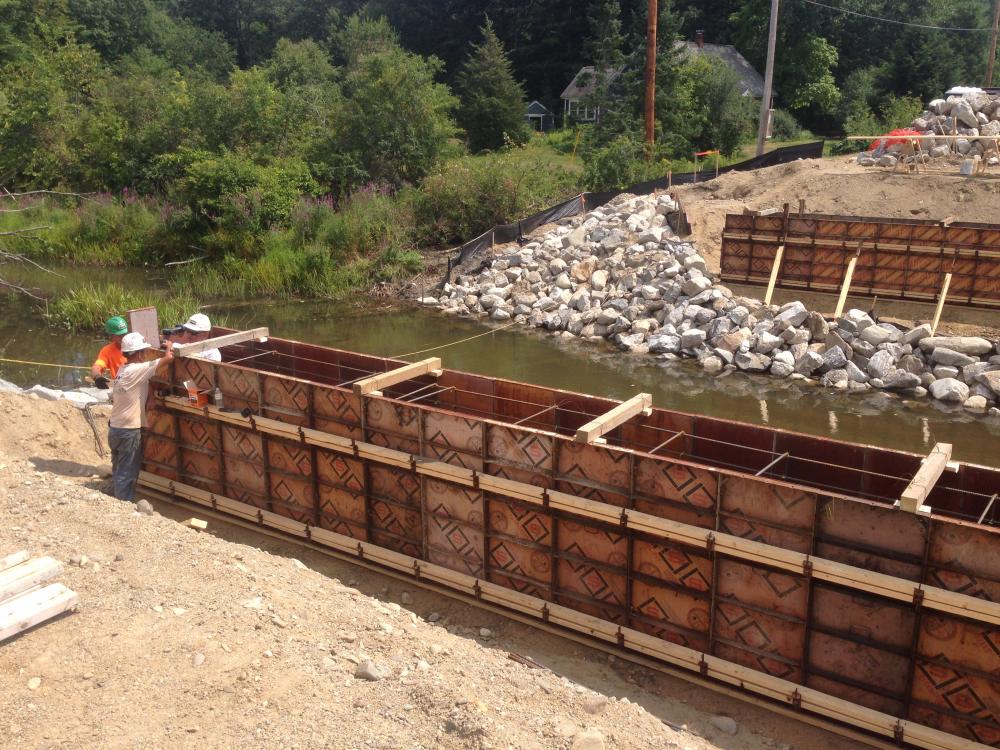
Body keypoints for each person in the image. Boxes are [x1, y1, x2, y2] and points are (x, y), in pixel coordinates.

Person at [108, 332, 174, 502]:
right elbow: (168, 358)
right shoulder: (136, 370)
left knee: (119, 466)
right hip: (128, 431)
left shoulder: (123, 370)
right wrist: (169, 345)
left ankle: (115, 499)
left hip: (115, 427)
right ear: (139, 354)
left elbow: (143, 382)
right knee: (128, 471)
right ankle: (123, 503)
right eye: (144, 352)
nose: (145, 354)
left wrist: (150, 396)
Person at [91, 316, 128, 389]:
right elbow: (97, 366)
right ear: (111, 336)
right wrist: (97, 377)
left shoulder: (137, 345)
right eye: (119, 335)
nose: (123, 337)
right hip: (121, 388)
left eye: (124, 334)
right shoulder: (107, 351)